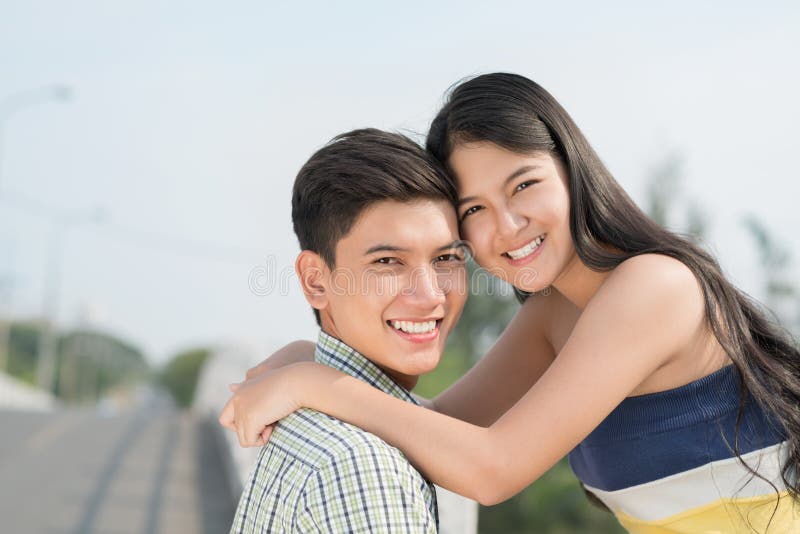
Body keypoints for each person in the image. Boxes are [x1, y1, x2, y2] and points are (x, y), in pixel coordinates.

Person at [221, 74, 800, 533]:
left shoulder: (655, 287)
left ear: (572, 170)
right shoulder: (552, 314)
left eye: (524, 185)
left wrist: (315, 384)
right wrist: (313, 355)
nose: (507, 226)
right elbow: (435, 431)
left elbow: (492, 468)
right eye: (474, 210)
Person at [223, 128, 468, 533]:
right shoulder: (362, 468)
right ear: (316, 281)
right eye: (388, 262)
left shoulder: (319, 417)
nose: (429, 296)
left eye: (446, 257)